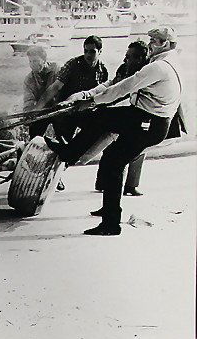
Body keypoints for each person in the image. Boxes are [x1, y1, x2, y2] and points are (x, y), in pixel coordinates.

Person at [45, 27, 183, 236]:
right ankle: (109, 212)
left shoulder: (158, 67)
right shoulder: (167, 62)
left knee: (103, 127)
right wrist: (86, 97)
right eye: (151, 39)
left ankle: (110, 223)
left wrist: (90, 102)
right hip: (148, 119)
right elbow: (115, 85)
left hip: (149, 122)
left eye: (156, 40)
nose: (151, 43)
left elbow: (123, 88)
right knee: (111, 158)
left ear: (167, 44)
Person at [92, 40, 150, 197]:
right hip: (120, 112)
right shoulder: (124, 68)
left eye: (130, 56)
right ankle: (104, 183)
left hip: (134, 115)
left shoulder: (147, 72)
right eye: (126, 55)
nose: (125, 59)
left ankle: (129, 185)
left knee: (132, 151)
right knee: (114, 151)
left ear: (141, 58)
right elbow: (115, 88)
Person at [34, 35, 109, 141]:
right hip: (64, 109)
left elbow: (101, 96)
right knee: (57, 137)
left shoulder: (103, 71)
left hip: (83, 110)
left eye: (92, 52)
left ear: (100, 52)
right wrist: (37, 109)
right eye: (85, 51)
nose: (88, 55)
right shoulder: (73, 64)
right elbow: (55, 87)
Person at [22, 45, 60, 138]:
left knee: (63, 135)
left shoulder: (57, 69)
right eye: (30, 61)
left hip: (59, 108)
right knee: (34, 134)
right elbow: (28, 100)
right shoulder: (29, 79)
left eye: (35, 61)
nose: (32, 64)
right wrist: (28, 115)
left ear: (44, 60)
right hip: (41, 110)